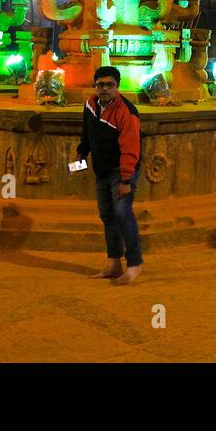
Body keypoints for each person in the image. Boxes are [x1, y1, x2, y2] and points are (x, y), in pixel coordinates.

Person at [77, 65, 144, 286]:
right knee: (107, 215)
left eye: (110, 85)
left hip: (121, 171)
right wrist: (81, 152)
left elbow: (130, 148)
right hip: (102, 170)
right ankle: (114, 263)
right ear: (95, 86)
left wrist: (126, 180)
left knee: (123, 213)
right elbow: (86, 131)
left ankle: (134, 264)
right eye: (100, 85)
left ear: (118, 86)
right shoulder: (90, 104)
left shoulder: (127, 112)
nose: (105, 89)